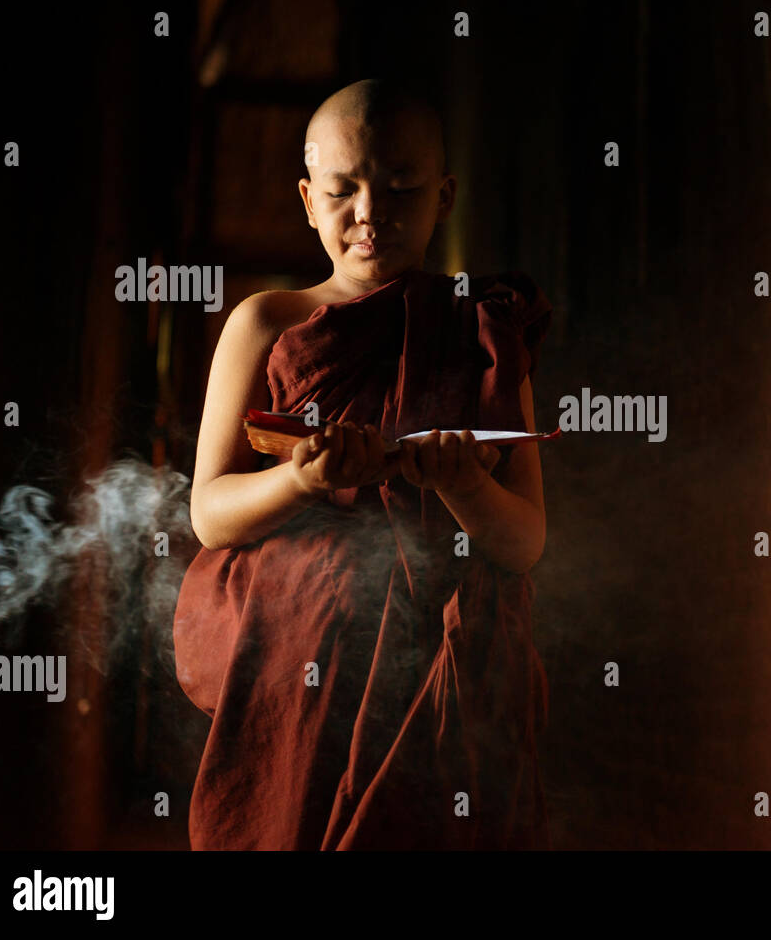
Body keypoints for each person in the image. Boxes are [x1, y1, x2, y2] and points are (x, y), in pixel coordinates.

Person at [172, 79, 552, 849]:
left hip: (440, 674)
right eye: (343, 191)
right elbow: (208, 511)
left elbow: (525, 541)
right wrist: (302, 479)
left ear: (444, 195)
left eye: (402, 185)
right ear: (309, 201)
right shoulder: (266, 323)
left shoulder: (482, 330)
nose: (371, 212)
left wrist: (463, 482)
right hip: (296, 666)